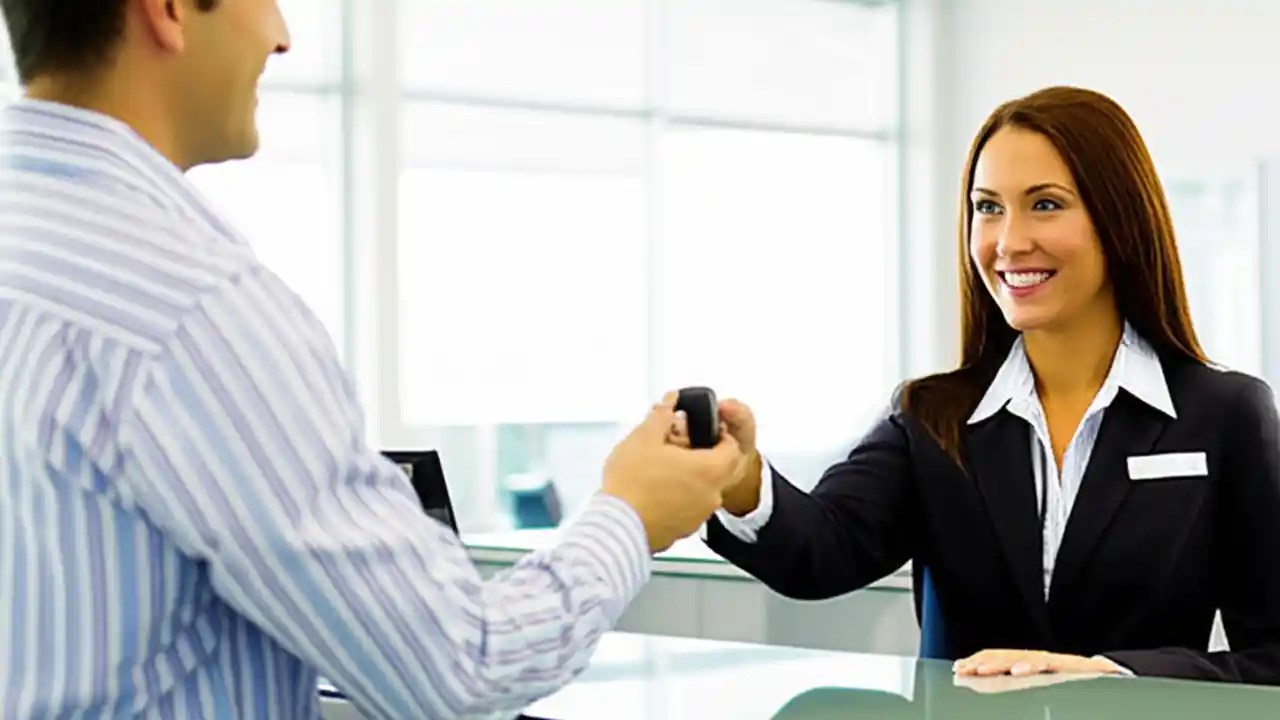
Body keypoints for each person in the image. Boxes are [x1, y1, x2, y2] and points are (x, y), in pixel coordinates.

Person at [0, 1, 743, 718]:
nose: (282, 36)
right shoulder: (190, 309)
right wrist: (632, 513)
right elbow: (459, 665)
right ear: (166, 9)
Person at [696, 85, 1280, 684]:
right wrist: (739, 477)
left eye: (1046, 205)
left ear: (1120, 217)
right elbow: (819, 554)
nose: (1008, 242)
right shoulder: (930, 416)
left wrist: (1112, 674)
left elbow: (1272, 658)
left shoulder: (1224, 413)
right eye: (988, 207)